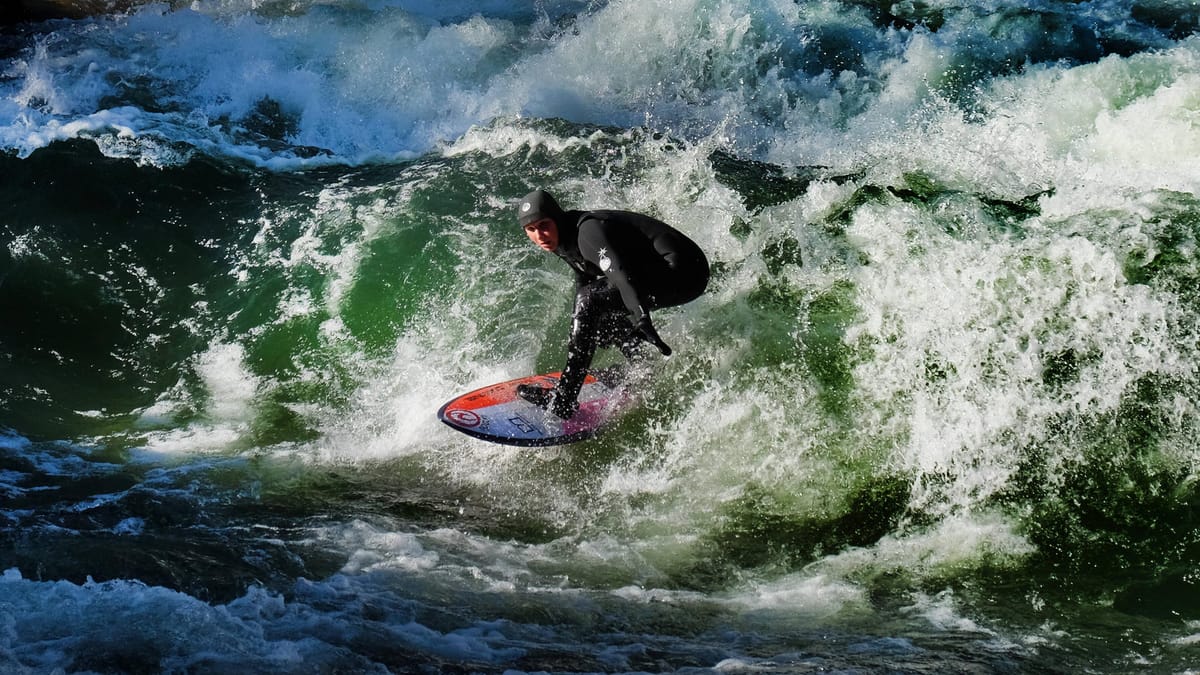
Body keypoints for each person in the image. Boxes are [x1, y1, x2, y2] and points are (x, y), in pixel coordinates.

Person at [514, 189, 709, 419]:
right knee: (591, 312)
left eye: (544, 225)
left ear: (556, 218)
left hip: (685, 272)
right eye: (531, 229)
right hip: (655, 271)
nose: (540, 235)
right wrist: (583, 326)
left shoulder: (587, 232)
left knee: (590, 303)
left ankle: (564, 399)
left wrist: (641, 316)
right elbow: (584, 279)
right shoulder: (561, 237)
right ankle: (642, 362)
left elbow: (619, 273)